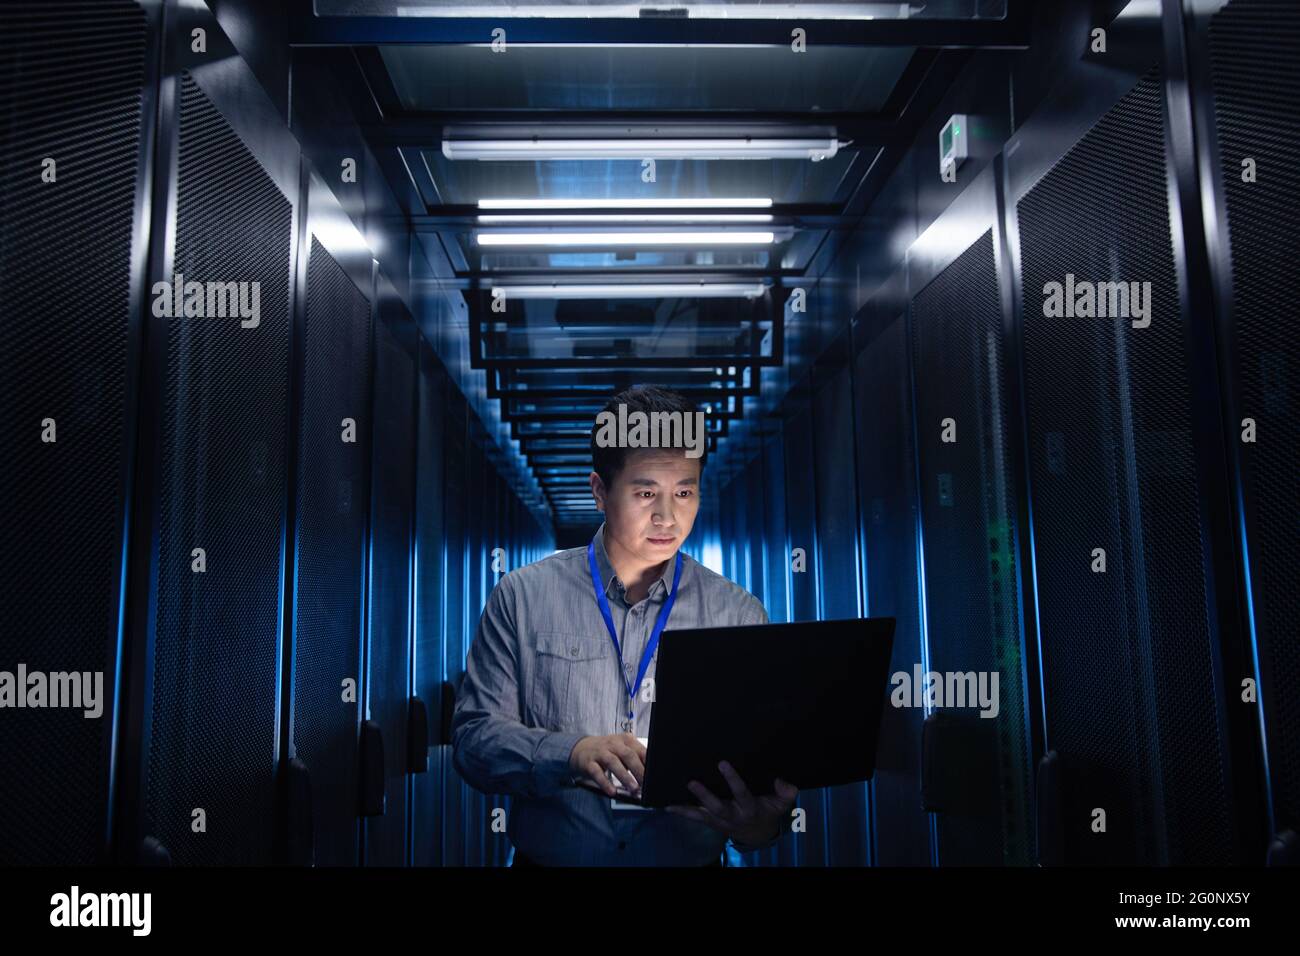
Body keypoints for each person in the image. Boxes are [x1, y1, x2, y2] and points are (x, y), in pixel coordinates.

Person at [451, 384, 799, 866]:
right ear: (599, 490)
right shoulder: (523, 596)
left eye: (684, 492)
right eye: (645, 492)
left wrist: (761, 827)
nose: (667, 516)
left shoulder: (738, 614)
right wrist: (571, 752)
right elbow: (473, 742)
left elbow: (765, 778)